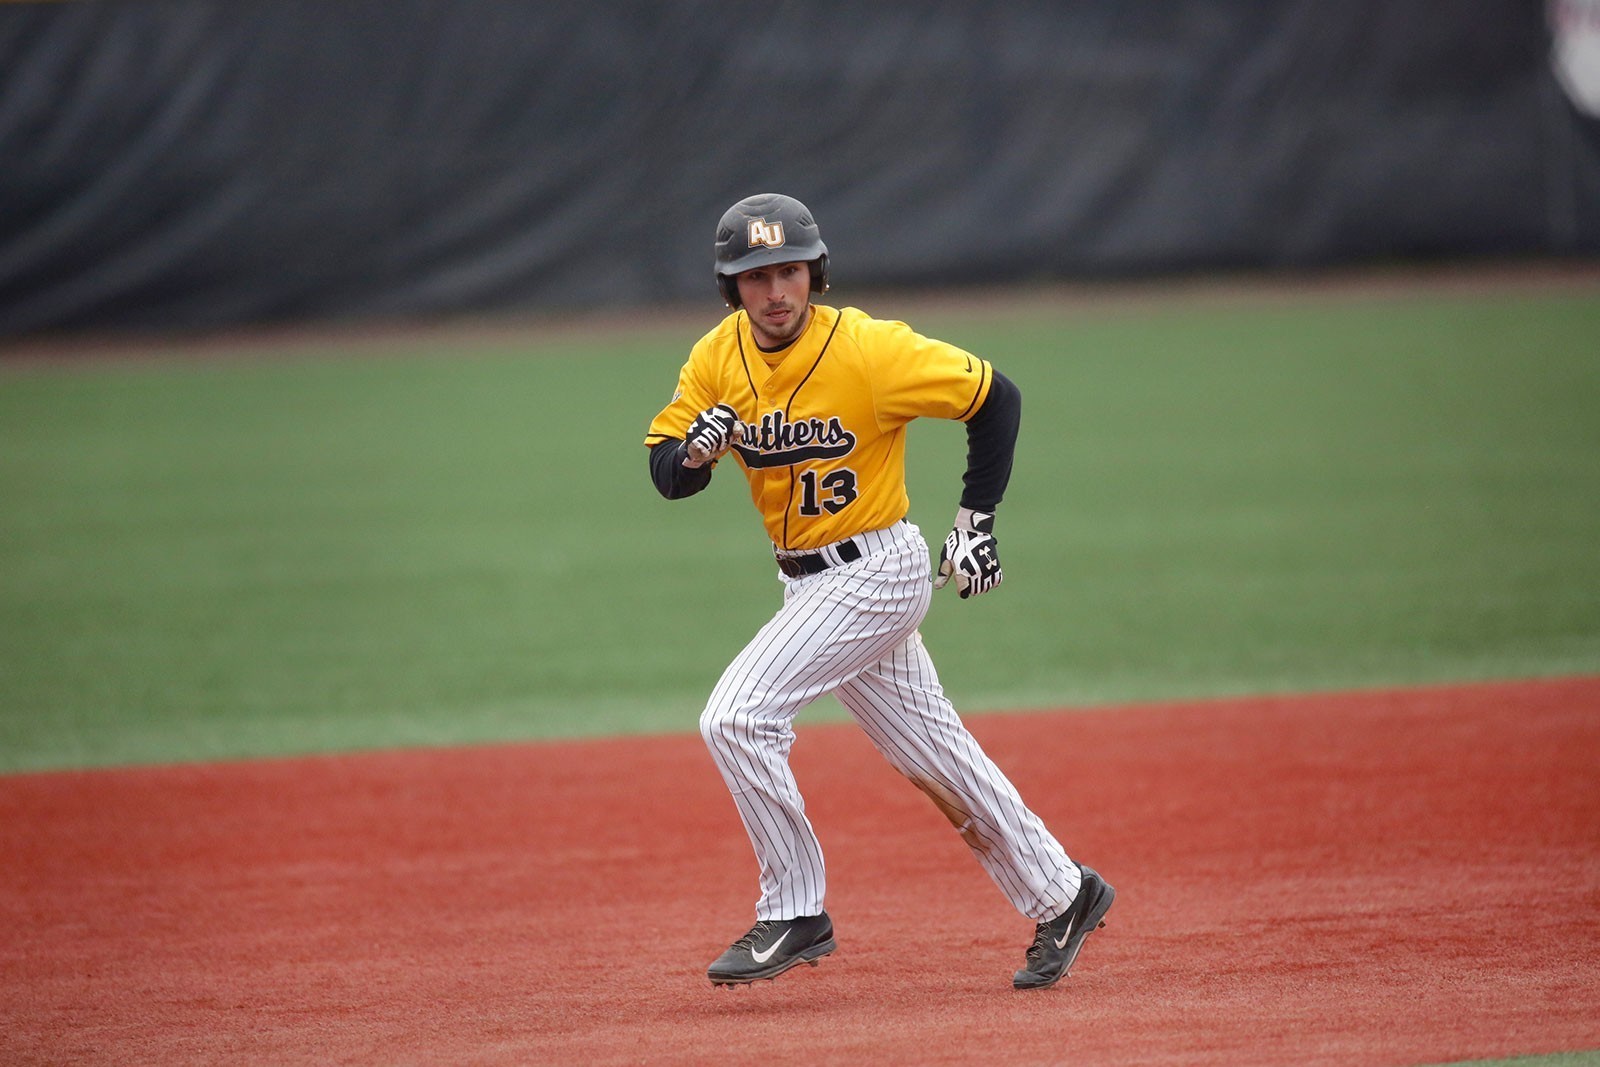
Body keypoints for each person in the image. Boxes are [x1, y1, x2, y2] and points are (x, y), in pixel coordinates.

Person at [643, 193, 1113, 990]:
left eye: (789, 270)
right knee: (935, 753)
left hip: (877, 572)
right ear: (733, 289)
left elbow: (996, 396)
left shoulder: (868, 349)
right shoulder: (717, 358)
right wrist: (692, 455)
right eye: (755, 277)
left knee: (736, 714)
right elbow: (666, 473)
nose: (776, 291)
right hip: (808, 585)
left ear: (814, 272)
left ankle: (795, 910)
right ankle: (1064, 893)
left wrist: (976, 518)